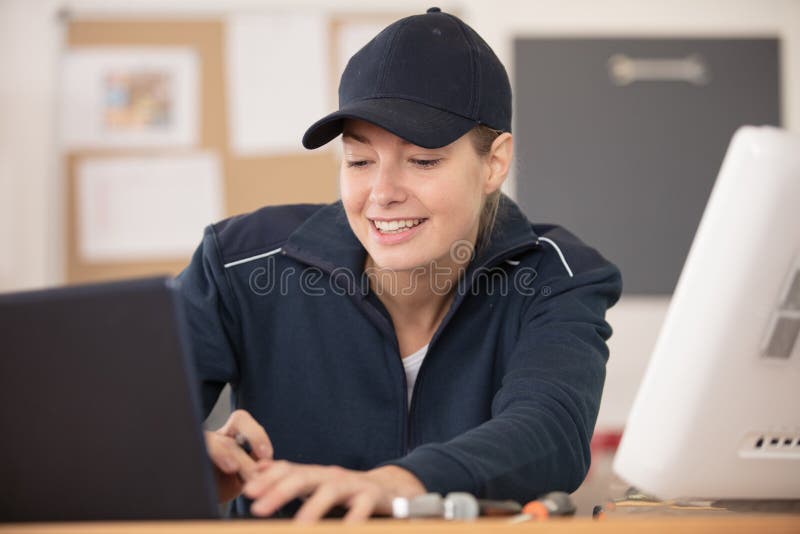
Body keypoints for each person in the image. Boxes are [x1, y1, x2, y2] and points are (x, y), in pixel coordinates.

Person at [177, 7, 622, 523]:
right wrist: (181, 458)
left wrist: (401, 484)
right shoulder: (236, 263)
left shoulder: (558, 277)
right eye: (359, 161)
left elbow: (551, 432)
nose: (382, 194)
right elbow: (120, 428)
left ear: (494, 163)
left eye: (423, 160)